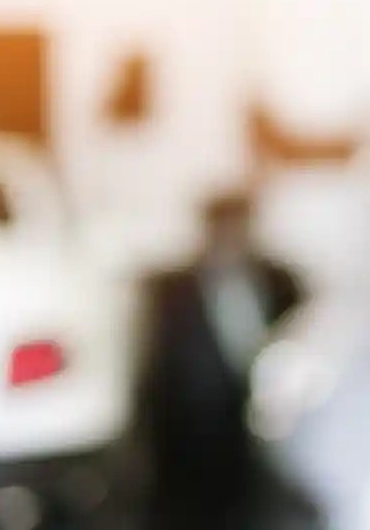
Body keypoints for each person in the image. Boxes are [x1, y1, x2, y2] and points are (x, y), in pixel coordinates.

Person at [138, 191, 320, 529]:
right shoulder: (172, 290)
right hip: (197, 439)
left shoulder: (282, 281)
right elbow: (155, 374)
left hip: (267, 443)